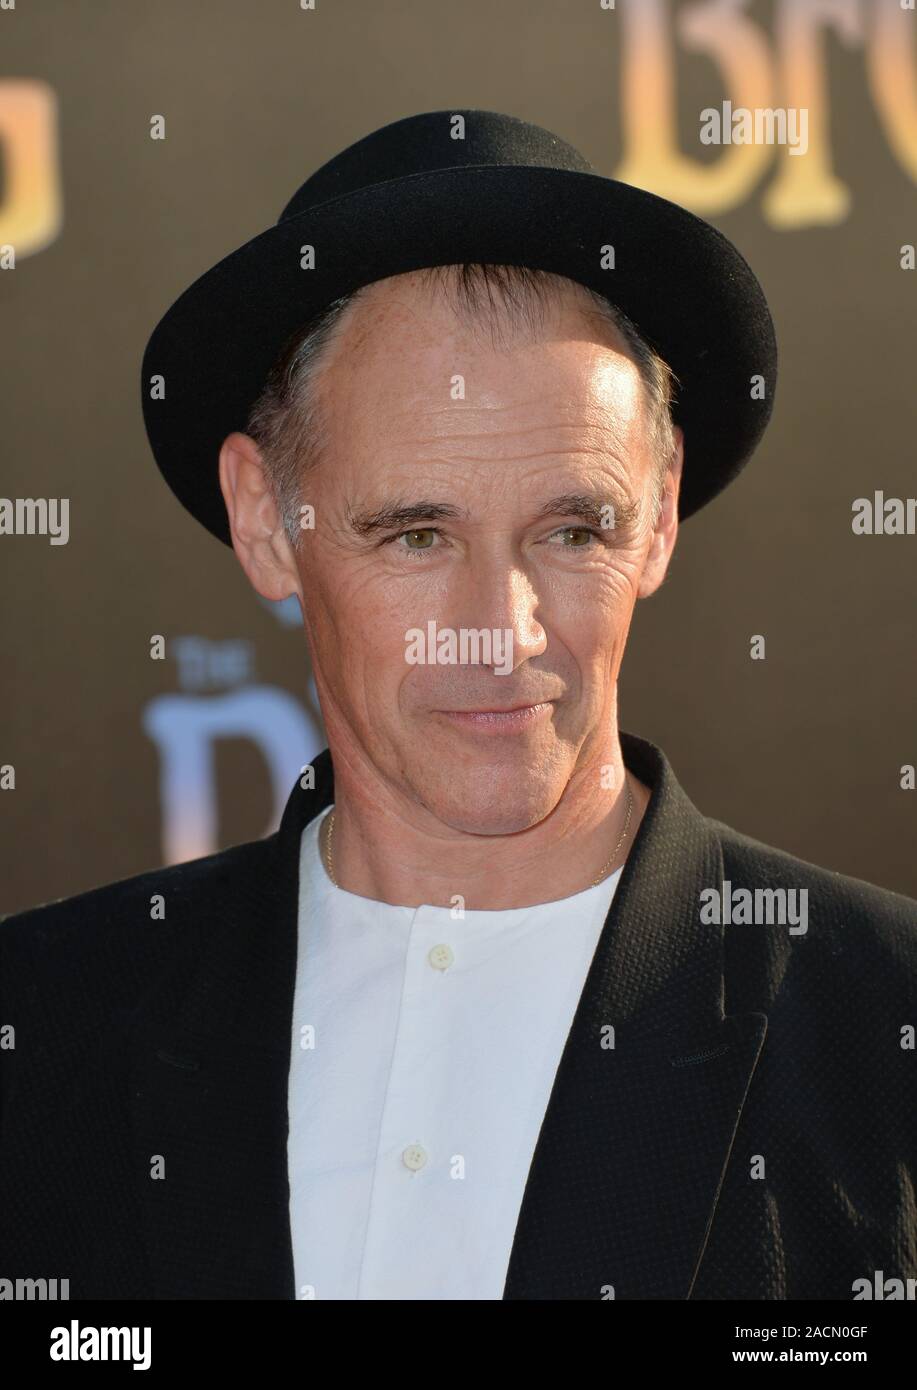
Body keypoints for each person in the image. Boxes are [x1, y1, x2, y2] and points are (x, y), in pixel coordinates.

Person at [1, 110, 915, 1301]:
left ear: (660, 510)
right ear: (266, 519)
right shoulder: (44, 1024)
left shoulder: (883, 1027)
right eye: (418, 533)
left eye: (571, 529)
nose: (502, 629)